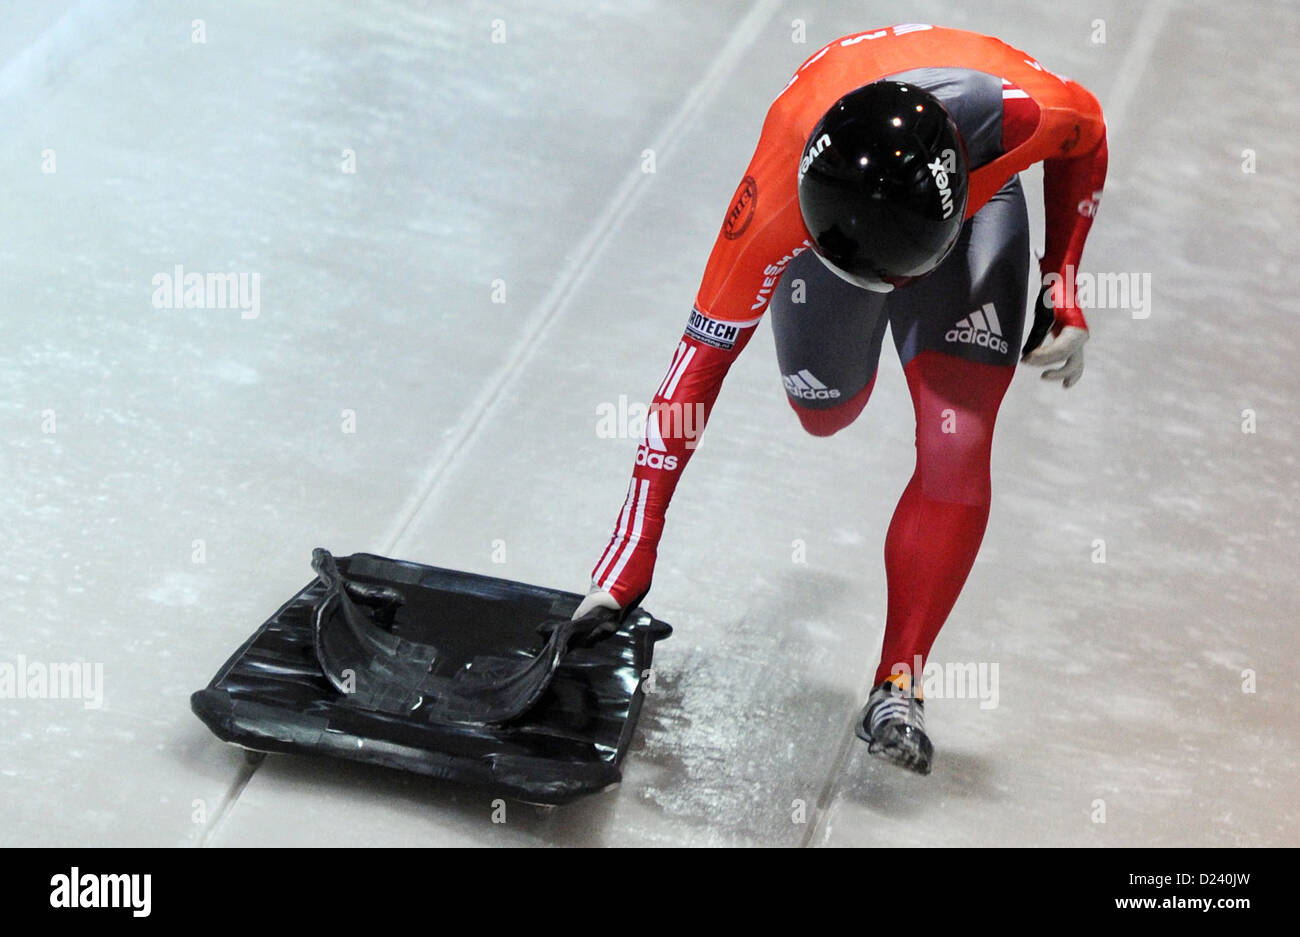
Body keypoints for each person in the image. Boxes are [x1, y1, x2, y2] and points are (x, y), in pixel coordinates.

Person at [575, 24, 1108, 775]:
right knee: (824, 407)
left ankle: (901, 680)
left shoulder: (1025, 115)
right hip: (848, 220)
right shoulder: (772, 199)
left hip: (973, 208)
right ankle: (859, 291)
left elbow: (1089, 137)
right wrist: (626, 565)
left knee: (959, 442)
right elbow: (692, 379)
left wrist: (1063, 282)